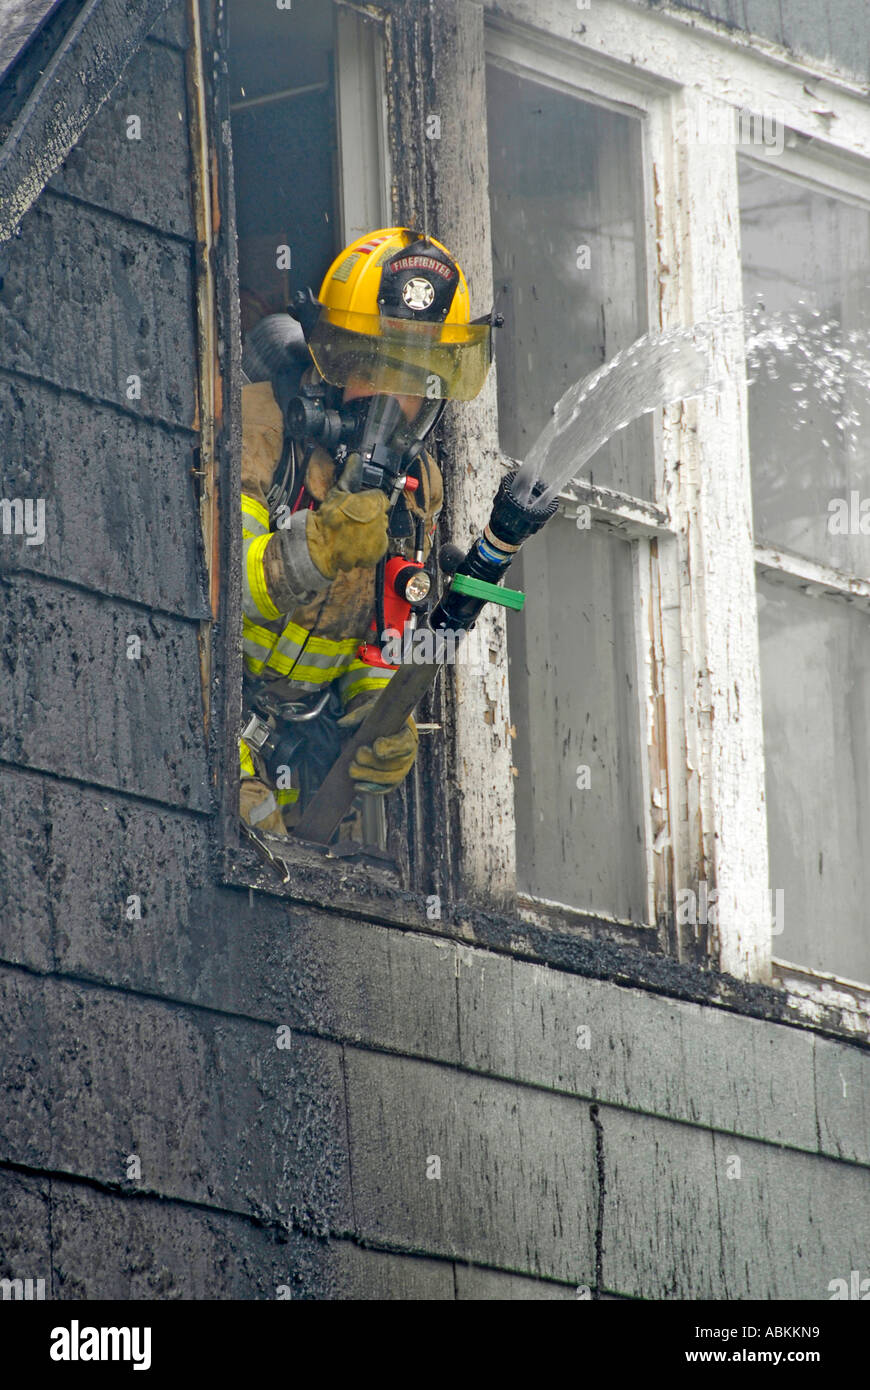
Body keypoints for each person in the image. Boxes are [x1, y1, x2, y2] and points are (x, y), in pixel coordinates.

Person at [238, 226, 494, 837]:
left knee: (333, 882)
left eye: (416, 378)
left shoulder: (415, 490)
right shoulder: (259, 431)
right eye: (372, 365)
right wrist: (318, 548)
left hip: (306, 749)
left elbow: (377, 637)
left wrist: (382, 713)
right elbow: (222, 589)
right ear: (330, 358)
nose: (392, 398)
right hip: (215, 713)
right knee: (247, 846)